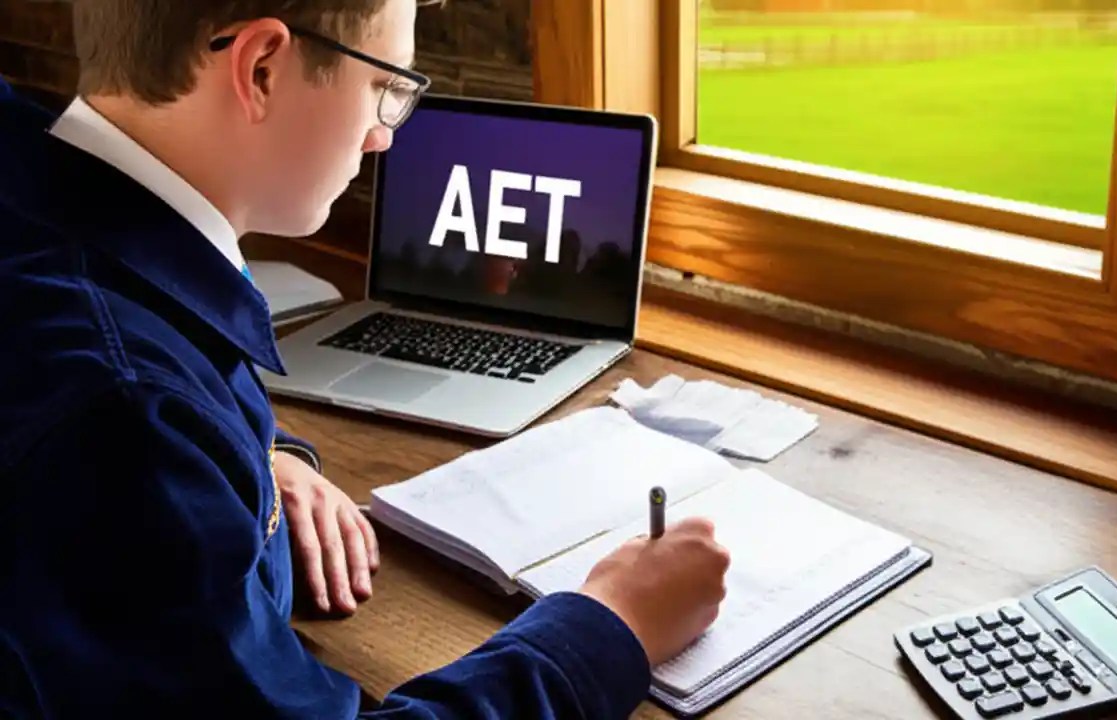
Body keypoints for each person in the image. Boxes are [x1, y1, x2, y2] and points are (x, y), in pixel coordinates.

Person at [0, 1, 731, 718]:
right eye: (387, 86)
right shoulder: (129, 422)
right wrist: (610, 626)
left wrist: (252, 459)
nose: (385, 138)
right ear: (261, 69)